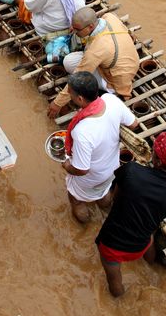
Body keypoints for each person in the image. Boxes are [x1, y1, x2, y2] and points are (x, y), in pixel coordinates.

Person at [95, 131, 166, 297]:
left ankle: (119, 300)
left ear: (155, 158)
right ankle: (149, 265)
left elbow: (115, 199)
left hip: (111, 243)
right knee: (150, 234)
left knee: (114, 279)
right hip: (139, 245)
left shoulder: (131, 171)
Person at [61, 72, 139, 223]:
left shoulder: (82, 131)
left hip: (91, 177)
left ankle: (85, 224)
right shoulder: (110, 100)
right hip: (111, 168)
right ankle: (105, 212)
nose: (69, 95)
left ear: (80, 99)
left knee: (76, 199)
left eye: (70, 93)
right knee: (103, 192)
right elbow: (134, 124)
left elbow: (82, 169)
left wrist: (67, 166)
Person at [47, 7, 139, 118]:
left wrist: (57, 103)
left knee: (69, 64)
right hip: (131, 63)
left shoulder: (96, 50)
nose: (74, 32)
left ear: (90, 26)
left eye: (77, 30)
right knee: (70, 60)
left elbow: (78, 76)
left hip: (116, 81)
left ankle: (105, 89)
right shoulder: (109, 17)